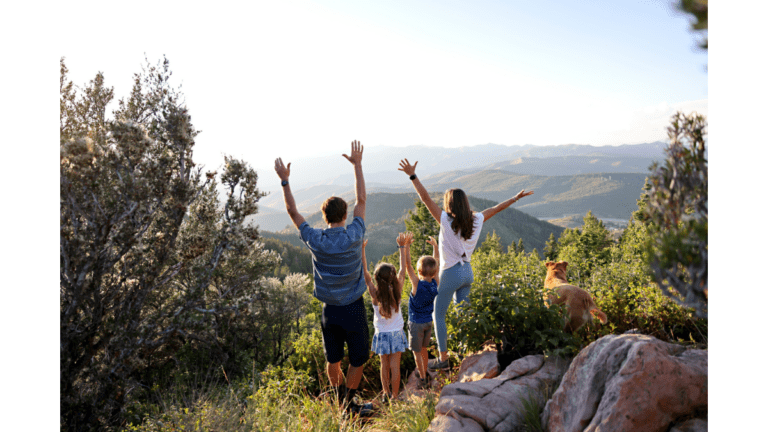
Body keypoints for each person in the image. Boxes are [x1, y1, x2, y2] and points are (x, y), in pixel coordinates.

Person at [397, 158, 534, 370]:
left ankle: (443, 359)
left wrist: (413, 176)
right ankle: (465, 353)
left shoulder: (444, 219)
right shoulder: (477, 219)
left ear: (448, 204)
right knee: (464, 314)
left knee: (438, 314)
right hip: (467, 272)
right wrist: (515, 198)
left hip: (451, 274)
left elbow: (425, 199)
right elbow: (496, 208)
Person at [274, 140, 372, 415]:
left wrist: (285, 182)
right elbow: (362, 200)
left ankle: (338, 400)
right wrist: (358, 166)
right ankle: (348, 402)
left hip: (329, 310)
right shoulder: (355, 234)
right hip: (353, 307)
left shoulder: (315, 239)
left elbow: (293, 213)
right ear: (345, 215)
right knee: (358, 359)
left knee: (333, 359)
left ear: (324, 216)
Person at [361, 233, 410, 402]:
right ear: (393, 277)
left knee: (384, 365)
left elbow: (365, 272)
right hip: (396, 333)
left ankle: (385, 394)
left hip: (381, 334)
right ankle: (395, 397)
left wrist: (361, 250)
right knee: (395, 366)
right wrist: (402, 247)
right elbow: (403, 270)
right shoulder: (398, 290)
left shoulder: (375, 294)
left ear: (377, 278)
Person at [402, 235, 440, 388]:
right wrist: (435, 248)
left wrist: (406, 247)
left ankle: (423, 378)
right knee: (423, 349)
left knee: (417, 352)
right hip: (428, 322)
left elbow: (407, 265)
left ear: (418, 271)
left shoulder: (417, 284)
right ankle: (425, 370)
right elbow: (436, 262)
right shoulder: (435, 283)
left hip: (416, 323)